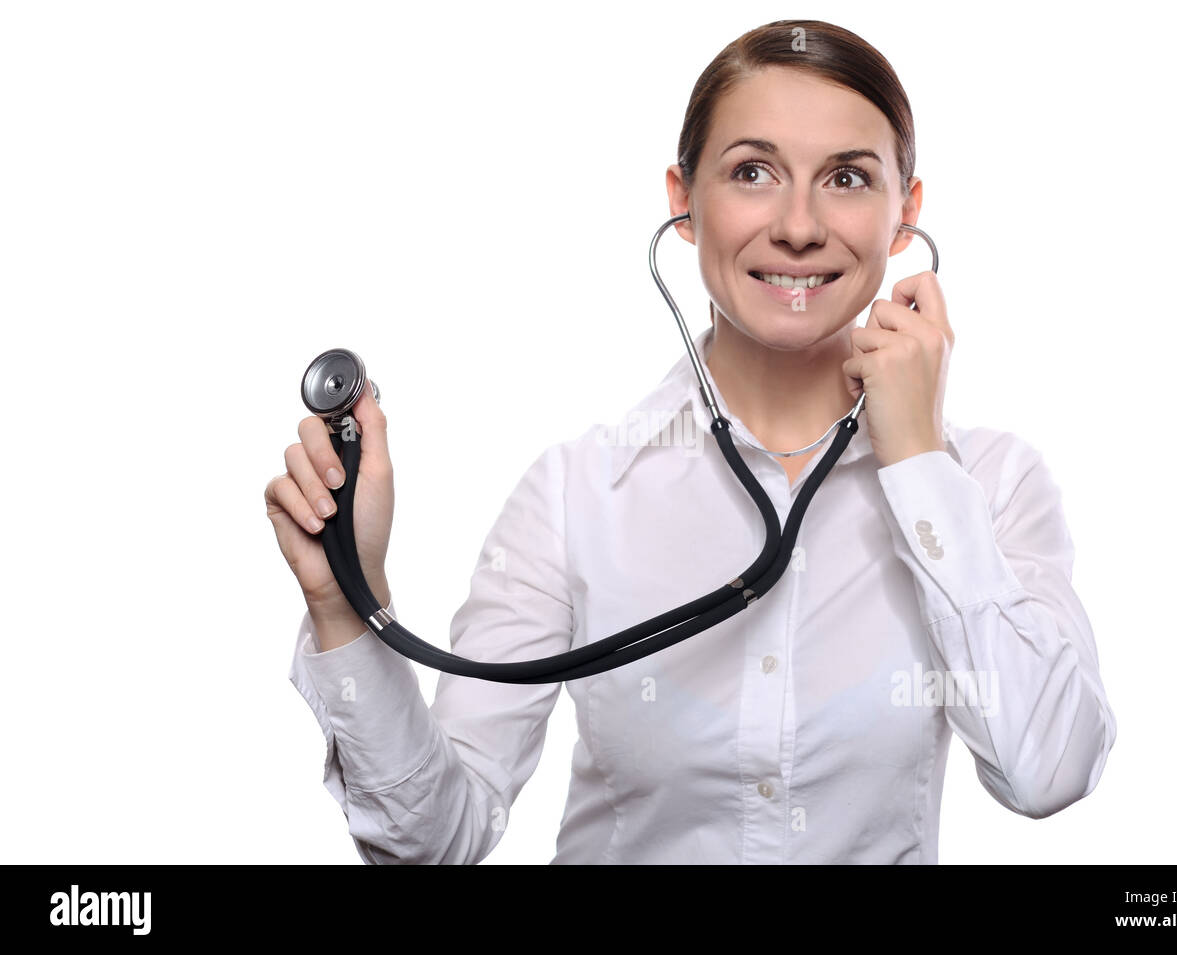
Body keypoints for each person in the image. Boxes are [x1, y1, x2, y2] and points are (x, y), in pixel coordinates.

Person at [263, 19, 1117, 864]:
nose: (798, 225)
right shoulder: (576, 492)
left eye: (848, 178)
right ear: (683, 202)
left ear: (906, 214)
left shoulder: (991, 484)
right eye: (753, 172)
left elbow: (1049, 771)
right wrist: (346, 603)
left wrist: (921, 464)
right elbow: (432, 841)